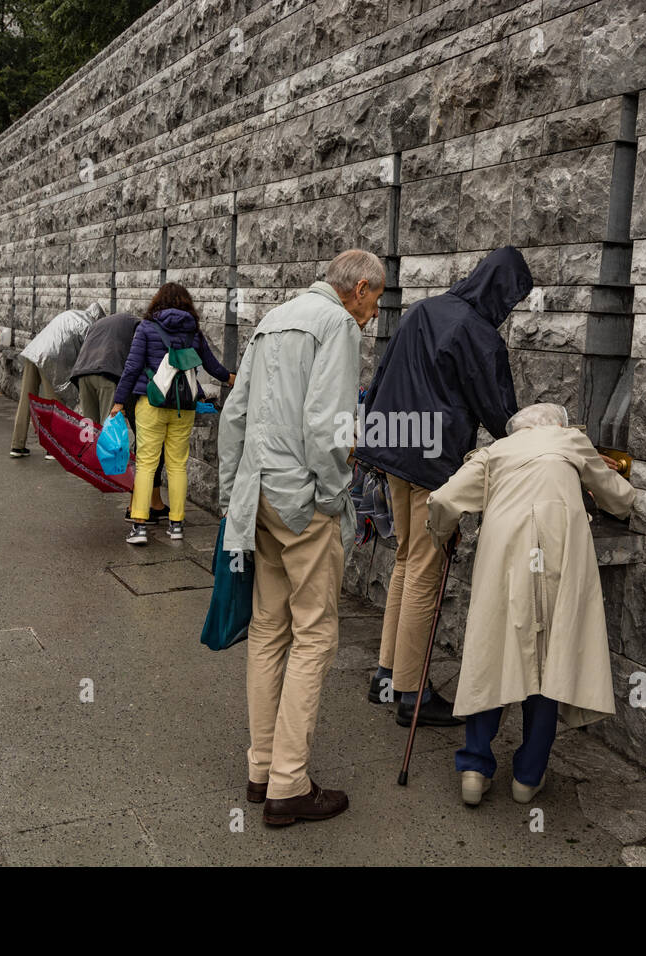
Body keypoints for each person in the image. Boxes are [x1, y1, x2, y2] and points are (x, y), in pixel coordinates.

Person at [218, 249, 384, 826]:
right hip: (303, 499)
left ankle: (262, 770)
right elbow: (329, 424)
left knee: (268, 630)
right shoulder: (336, 324)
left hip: (257, 493)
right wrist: (337, 495)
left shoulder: (272, 318)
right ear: (359, 288)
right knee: (314, 635)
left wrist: (229, 495)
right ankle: (290, 783)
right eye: (375, 302)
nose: (372, 316)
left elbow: (234, 413)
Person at [424, 403, 635, 807]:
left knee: (493, 652)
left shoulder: (496, 452)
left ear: (517, 430)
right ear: (559, 424)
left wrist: (443, 535)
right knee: (548, 658)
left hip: (506, 554)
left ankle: (474, 767)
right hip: (559, 555)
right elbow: (619, 498)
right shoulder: (572, 441)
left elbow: (444, 500)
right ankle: (527, 776)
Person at [355, 245, 530, 728]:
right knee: (425, 575)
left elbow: (384, 372)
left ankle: (387, 675)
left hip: (391, 449)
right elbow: (501, 414)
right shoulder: (480, 336)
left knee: (407, 561)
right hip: (433, 468)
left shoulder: (424, 309)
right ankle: (411, 692)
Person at [110, 284, 233, 544]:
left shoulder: (146, 328)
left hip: (151, 404)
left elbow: (132, 368)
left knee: (146, 464)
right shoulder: (193, 333)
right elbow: (212, 366)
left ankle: (140, 527)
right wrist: (234, 378)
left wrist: (119, 402)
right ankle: (176, 525)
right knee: (178, 465)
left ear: (157, 303)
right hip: (183, 407)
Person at [71, 310, 170, 523]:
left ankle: (92, 468)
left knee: (92, 431)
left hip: (82, 373)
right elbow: (137, 358)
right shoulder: (139, 325)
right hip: (107, 374)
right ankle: (125, 488)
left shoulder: (102, 323)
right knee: (114, 432)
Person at [10, 302, 104, 458]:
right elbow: (86, 356)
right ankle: (53, 448)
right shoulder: (89, 325)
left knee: (26, 399)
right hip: (51, 359)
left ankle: (17, 445)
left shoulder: (70, 313)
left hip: (33, 352)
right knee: (55, 404)